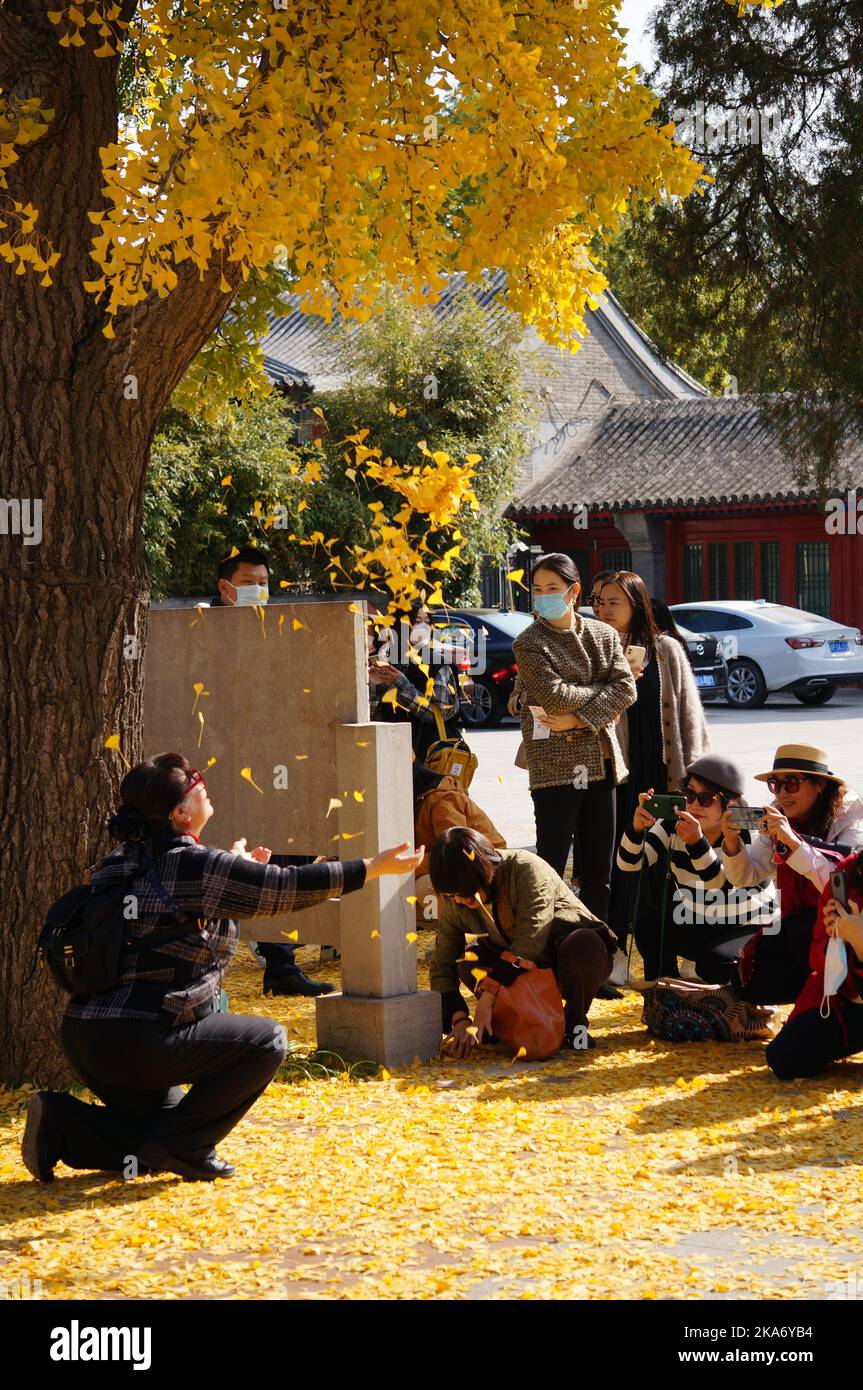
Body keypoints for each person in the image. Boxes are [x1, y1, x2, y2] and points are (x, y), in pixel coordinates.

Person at [21, 753, 422, 1184]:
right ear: (180, 812)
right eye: (197, 788)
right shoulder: (193, 866)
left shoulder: (122, 860)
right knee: (267, 1041)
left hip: (87, 1035)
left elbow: (186, 906)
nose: (205, 789)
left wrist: (238, 865)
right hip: (139, 1039)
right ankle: (186, 1148)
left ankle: (62, 1123)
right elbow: (287, 888)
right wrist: (372, 868)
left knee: (162, 1130)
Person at [210, 544, 332, 997]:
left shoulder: (279, 631)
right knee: (236, 859)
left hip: (282, 764)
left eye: (265, 583)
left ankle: (280, 962)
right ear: (225, 588)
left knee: (291, 855)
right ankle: (235, 962)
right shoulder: (205, 633)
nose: (260, 591)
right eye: (249, 584)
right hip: (228, 767)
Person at [594, 571, 709, 981]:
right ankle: (618, 952)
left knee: (669, 867)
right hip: (617, 777)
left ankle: (677, 954)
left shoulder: (666, 649)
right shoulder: (594, 650)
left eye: (613, 602)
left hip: (663, 772)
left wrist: (695, 777)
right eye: (599, 601)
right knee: (622, 866)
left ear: (636, 605)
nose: (604, 610)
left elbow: (689, 714)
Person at [510, 553, 637, 924]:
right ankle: (550, 949)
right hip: (554, 767)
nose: (544, 596)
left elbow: (627, 688)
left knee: (600, 871)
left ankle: (595, 950)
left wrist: (577, 719)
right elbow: (553, 696)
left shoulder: (603, 634)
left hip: (602, 763)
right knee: (550, 865)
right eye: (537, 589)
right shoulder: (529, 643)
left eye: (552, 588)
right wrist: (599, 698)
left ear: (573, 591)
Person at [428, 827, 617, 1054]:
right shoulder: (455, 901)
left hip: (560, 958)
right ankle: (507, 1021)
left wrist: (488, 995)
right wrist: (458, 1019)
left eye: (467, 892)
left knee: (586, 945)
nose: (459, 900)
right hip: (514, 970)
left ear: (485, 871)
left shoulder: (525, 868)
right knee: (469, 960)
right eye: (451, 895)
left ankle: (575, 1023)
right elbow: (442, 966)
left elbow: (532, 938)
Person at [721, 744, 863, 1005]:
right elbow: (745, 877)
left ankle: (836, 1001)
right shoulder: (779, 815)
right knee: (749, 980)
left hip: (845, 930)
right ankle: (811, 998)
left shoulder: (851, 819)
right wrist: (731, 842)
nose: (783, 793)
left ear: (820, 784)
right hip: (795, 926)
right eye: (775, 784)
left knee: (796, 928)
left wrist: (793, 843)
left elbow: (839, 883)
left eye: (792, 784)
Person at [616, 755, 776, 982]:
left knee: (714, 964)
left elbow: (720, 887)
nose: (694, 805)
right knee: (649, 923)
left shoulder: (742, 831)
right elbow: (628, 863)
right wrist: (636, 827)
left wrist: (696, 843)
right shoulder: (674, 824)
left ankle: (735, 1010)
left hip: (748, 924)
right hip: (702, 917)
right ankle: (667, 997)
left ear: (729, 804)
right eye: (690, 794)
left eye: (706, 798)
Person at [766, 851, 863, 1079]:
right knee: (785, 1058)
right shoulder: (848, 873)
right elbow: (816, 955)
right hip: (848, 995)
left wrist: (859, 941)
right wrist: (838, 938)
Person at [368, 597, 468, 763]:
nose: (423, 627)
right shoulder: (388, 663)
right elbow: (374, 717)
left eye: (427, 622)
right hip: (392, 757)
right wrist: (375, 686)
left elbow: (441, 715)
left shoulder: (439, 665)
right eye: (417, 621)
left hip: (430, 759)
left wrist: (402, 684)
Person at [412, 758, 506, 922]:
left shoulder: (442, 799)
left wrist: (410, 866)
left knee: (423, 887)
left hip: (485, 873)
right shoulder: (420, 796)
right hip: (463, 870)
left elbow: (455, 856)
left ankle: (467, 929)